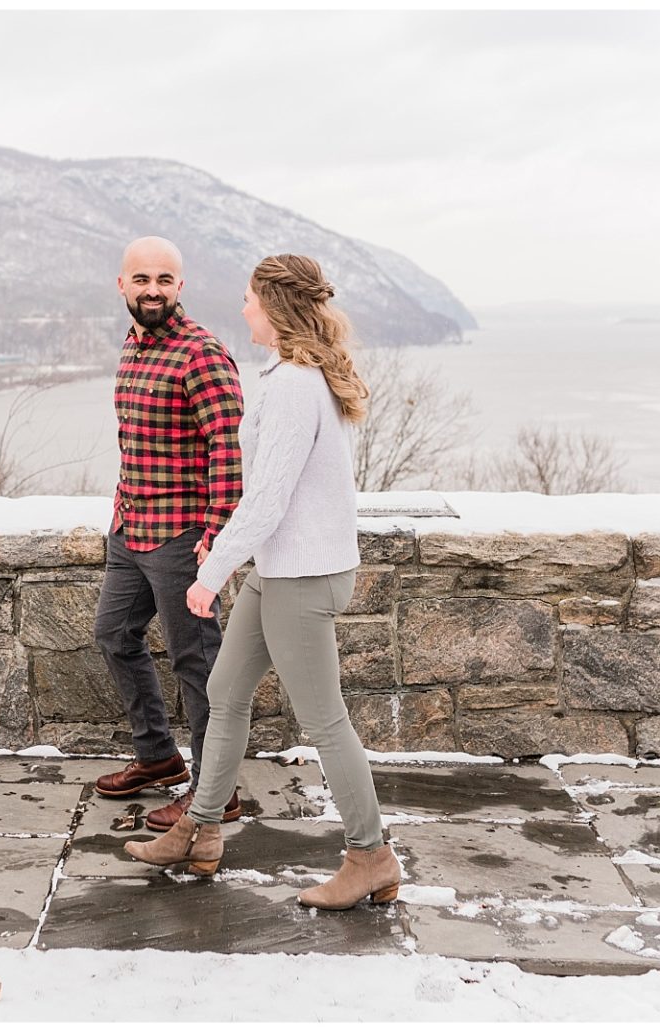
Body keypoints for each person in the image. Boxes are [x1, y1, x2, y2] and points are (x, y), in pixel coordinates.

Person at [125, 253, 402, 910]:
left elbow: (268, 498)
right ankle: (201, 830)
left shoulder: (295, 386)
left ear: (274, 309)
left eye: (250, 298)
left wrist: (211, 569)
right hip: (283, 569)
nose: (243, 307)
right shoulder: (291, 378)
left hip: (302, 577)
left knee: (325, 721)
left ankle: (371, 855)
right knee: (224, 690)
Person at [92, 236, 245, 831]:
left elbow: (228, 451)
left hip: (183, 535)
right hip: (131, 528)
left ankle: (217, 790)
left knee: (197, 662)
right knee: (113, 636)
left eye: (164, 279)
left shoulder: (201, 353)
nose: (151, 289)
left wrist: (218, 536)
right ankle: (158, 757)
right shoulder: (133, 346)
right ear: (122, 285)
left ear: (180, 286)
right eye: (141, 279)